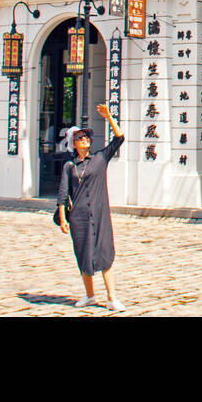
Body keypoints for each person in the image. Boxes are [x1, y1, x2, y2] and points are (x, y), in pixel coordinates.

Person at [58, 103, 125, 311]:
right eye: (79, 138)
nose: (84, 139)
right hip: (78, 217)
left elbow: (119, 138)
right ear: (73, 144)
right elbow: (62, 194)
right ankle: (89, 295)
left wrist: (109, 117)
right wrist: (62, 218)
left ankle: (112, 297)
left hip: (100, 213)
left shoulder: (99, 159)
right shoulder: (69, 167)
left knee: (105, 253)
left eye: (86, 137)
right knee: (84, 254)